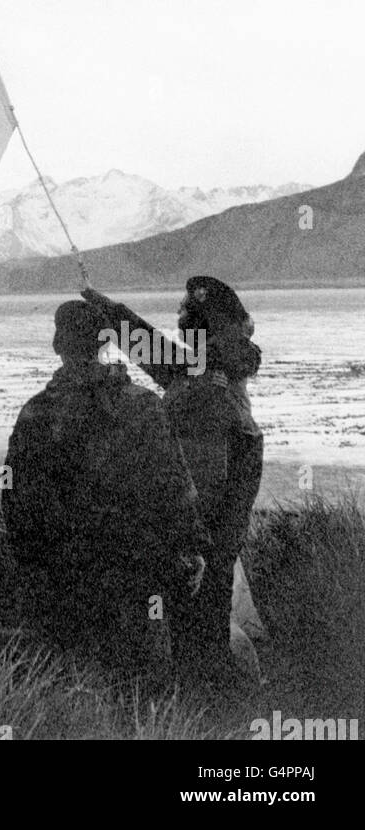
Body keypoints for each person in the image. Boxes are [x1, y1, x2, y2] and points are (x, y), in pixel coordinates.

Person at [1, 300, 208, 679]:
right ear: (106, 343)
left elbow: (13, 496)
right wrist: (188, 548)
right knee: (141, 689)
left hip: (61, 576)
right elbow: (173, 486)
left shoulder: (35, 414)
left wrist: (31, 560)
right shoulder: (143, 408)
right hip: (134, 573)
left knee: (63, 684)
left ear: (57, 344)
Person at [82, 277, 264, 685]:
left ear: (202, 328)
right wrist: (109, 310)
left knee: (196, 634)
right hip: (212, 536)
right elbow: (151, 348)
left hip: (200, 537)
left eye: (185, 316)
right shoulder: (208, 372)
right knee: (204, 627)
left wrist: (190, 544)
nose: (178, 321)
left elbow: (206, 482)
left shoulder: (204, 390)